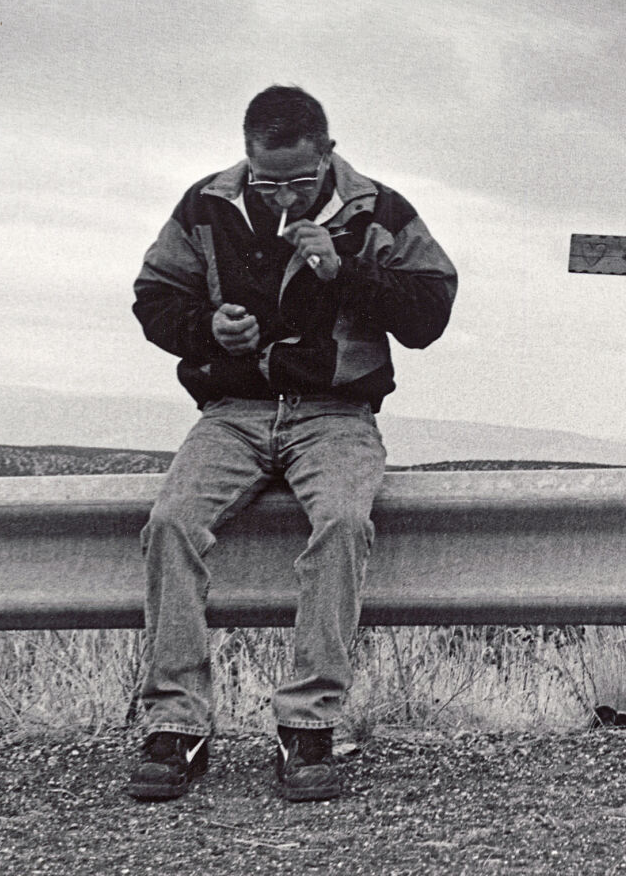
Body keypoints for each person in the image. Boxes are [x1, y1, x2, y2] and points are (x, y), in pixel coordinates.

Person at [126, 86, 457, 802]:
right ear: (246, 157)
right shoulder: (205, 204)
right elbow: (154, 298)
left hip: (335, 414)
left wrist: (349, 272)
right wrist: (208, 328)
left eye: (298, 182)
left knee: (341, 522)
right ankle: (176, 727)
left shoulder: (380, 211)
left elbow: (429, 315)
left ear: (327, 154)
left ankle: (308, 726)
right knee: (170, 524)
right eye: (266, 180)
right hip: (233, 409)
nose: (280, 197)